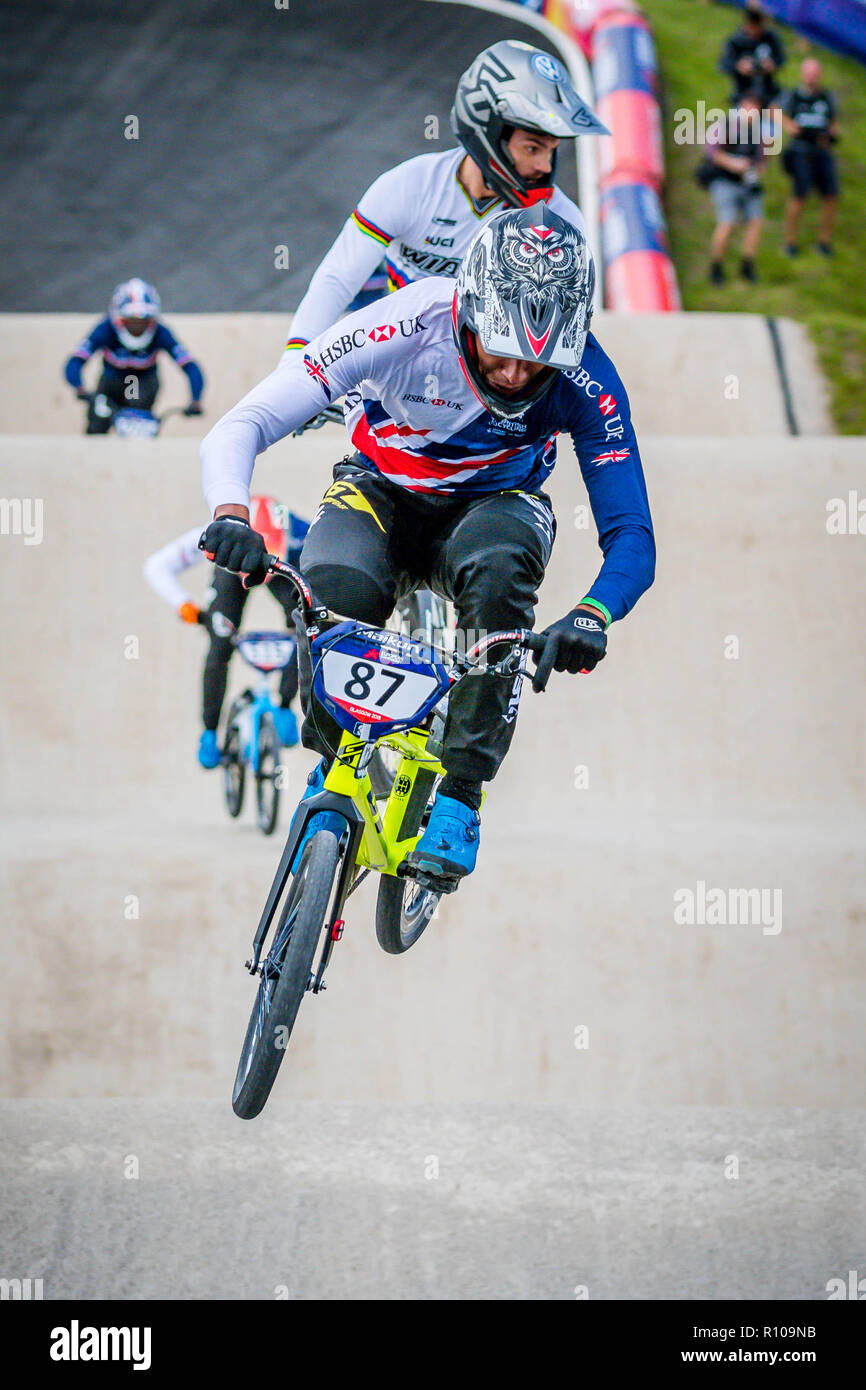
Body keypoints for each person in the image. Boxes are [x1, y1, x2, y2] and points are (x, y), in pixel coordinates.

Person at [200, 204, 654, 887]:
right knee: (331, 588)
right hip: (381, 491)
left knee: (503, 575)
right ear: (468, 313)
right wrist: (232, 512)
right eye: (500, 351)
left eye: (537, 364)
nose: (513, 376)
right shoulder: (404, 323)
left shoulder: (586, 376)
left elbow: (632, 534)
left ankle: (462, 797)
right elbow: (246, 422)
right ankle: (331, 761)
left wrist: (594, 613)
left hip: (494, 509)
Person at [280, 39, 606, 359]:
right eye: (533, 148)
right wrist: (293, 367)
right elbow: (337, 280)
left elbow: (562, 339)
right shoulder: (409, 185)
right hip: (397, 351)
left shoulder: (560, 221)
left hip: (490, 376)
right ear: (488, 133)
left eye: (552, 150)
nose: (545, 167)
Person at [144, 496, 309, 768]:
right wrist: (185, 605)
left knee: (304, 626)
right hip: (234, 562)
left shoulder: (302, 534)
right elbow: (156, 566)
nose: (254, 578)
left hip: (281, 565)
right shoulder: (220, 535)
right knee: (220, 639)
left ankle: (284, 706)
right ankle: (209, 732)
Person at [64, 279, 205, 433]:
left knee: (138, 427)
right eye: (131, 321)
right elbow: (75, 361)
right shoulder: (105, 329)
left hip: (142, 384)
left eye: (143, 322)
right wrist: (80, 388)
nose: (137, 327)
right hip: (110, 384)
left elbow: (190, 366)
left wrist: (195, 399)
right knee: (97, 423)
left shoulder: (161, 332)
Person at [780, 58, 841, 257]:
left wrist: (831, 135)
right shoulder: (794, 95)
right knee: (799, 194)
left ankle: (824, 242)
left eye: (815, 72)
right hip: (801, 150)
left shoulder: (826, 97)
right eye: (809, 72)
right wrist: (790, 126)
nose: (812, 76)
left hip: (821, 151)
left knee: (831, 195)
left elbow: (834, 122)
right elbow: (776, 112)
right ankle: (790, 241)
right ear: (802, 74)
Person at [706, 93, 767, 284]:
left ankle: (747, 264)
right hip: (725, 181)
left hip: (748, 183)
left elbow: (762, 160)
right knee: (728, 222)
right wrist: (733, 163)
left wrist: (754, 172)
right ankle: (716, 265)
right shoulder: (726, 125)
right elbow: (711, 152)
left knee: (755, 221)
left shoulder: (758, 133)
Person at [718, 0, 785, 107]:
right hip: (744, 93)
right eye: (752, 27)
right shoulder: (736, 41)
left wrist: (772, 64)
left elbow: (781, 59)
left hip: (767, 92)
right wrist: (739, 66)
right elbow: (723, 65)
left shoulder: (770, 38)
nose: (755, 32)